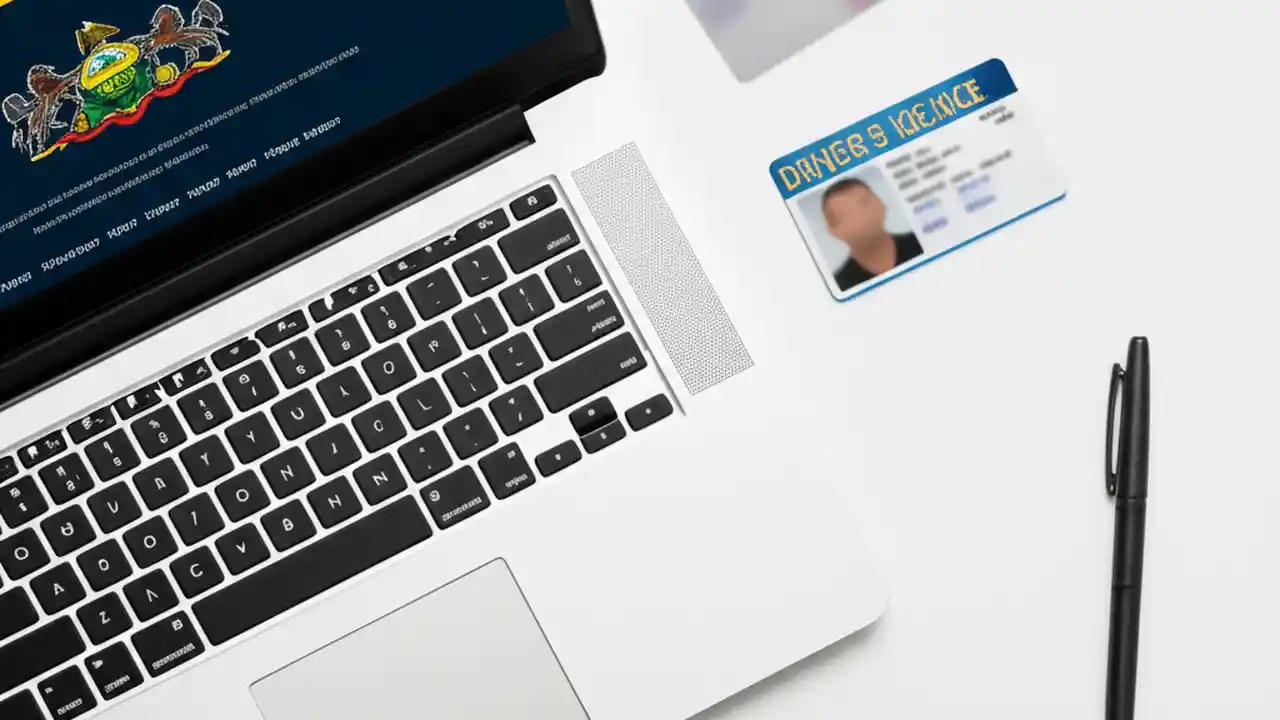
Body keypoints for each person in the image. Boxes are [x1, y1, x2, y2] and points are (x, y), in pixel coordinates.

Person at [821, 178, 922, 292]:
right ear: (833, 231)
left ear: (881, 205)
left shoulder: (924, 241)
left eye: (864, 204)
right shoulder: (841, 287)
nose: (862, 219)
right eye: (848, 214)